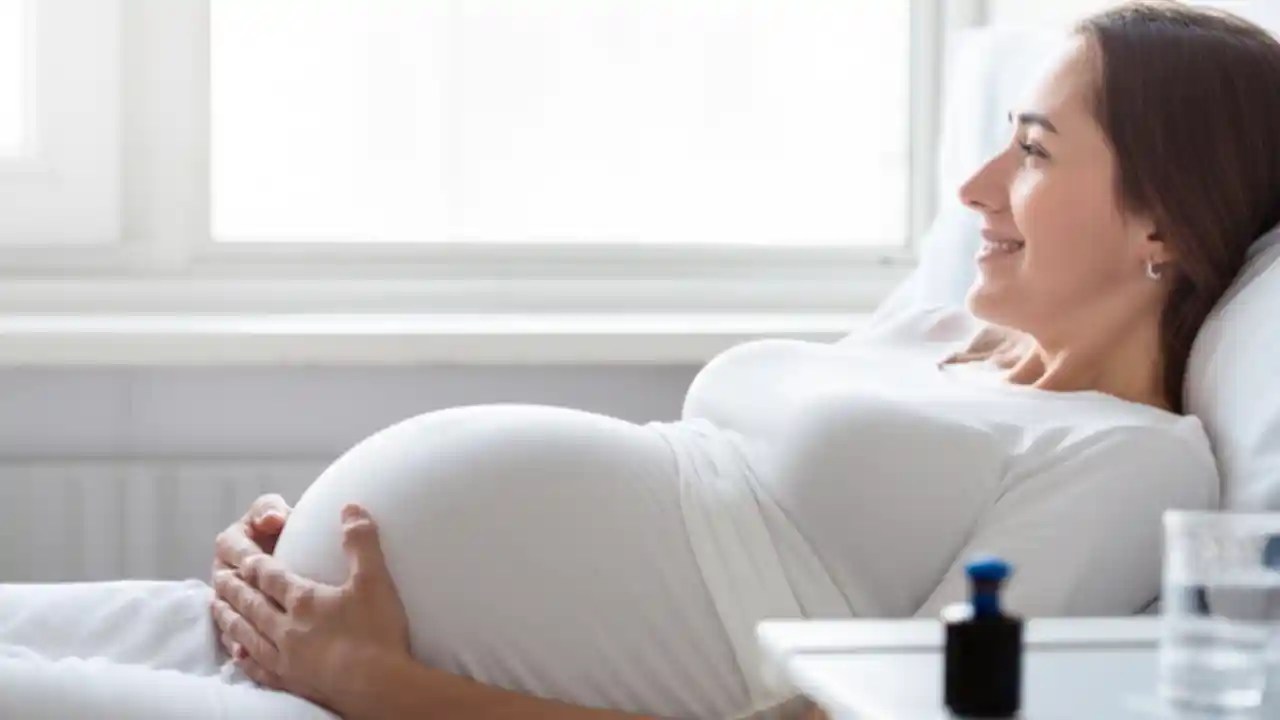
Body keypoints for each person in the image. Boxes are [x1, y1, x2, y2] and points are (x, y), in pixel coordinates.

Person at [2, 2, 1278, 719]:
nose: (975, 185)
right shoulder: (940, 334)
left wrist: (383, 684)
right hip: (292, 645)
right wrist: (297, 555)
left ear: (1160, 221)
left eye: (1035, 152)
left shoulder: (1129, 465)